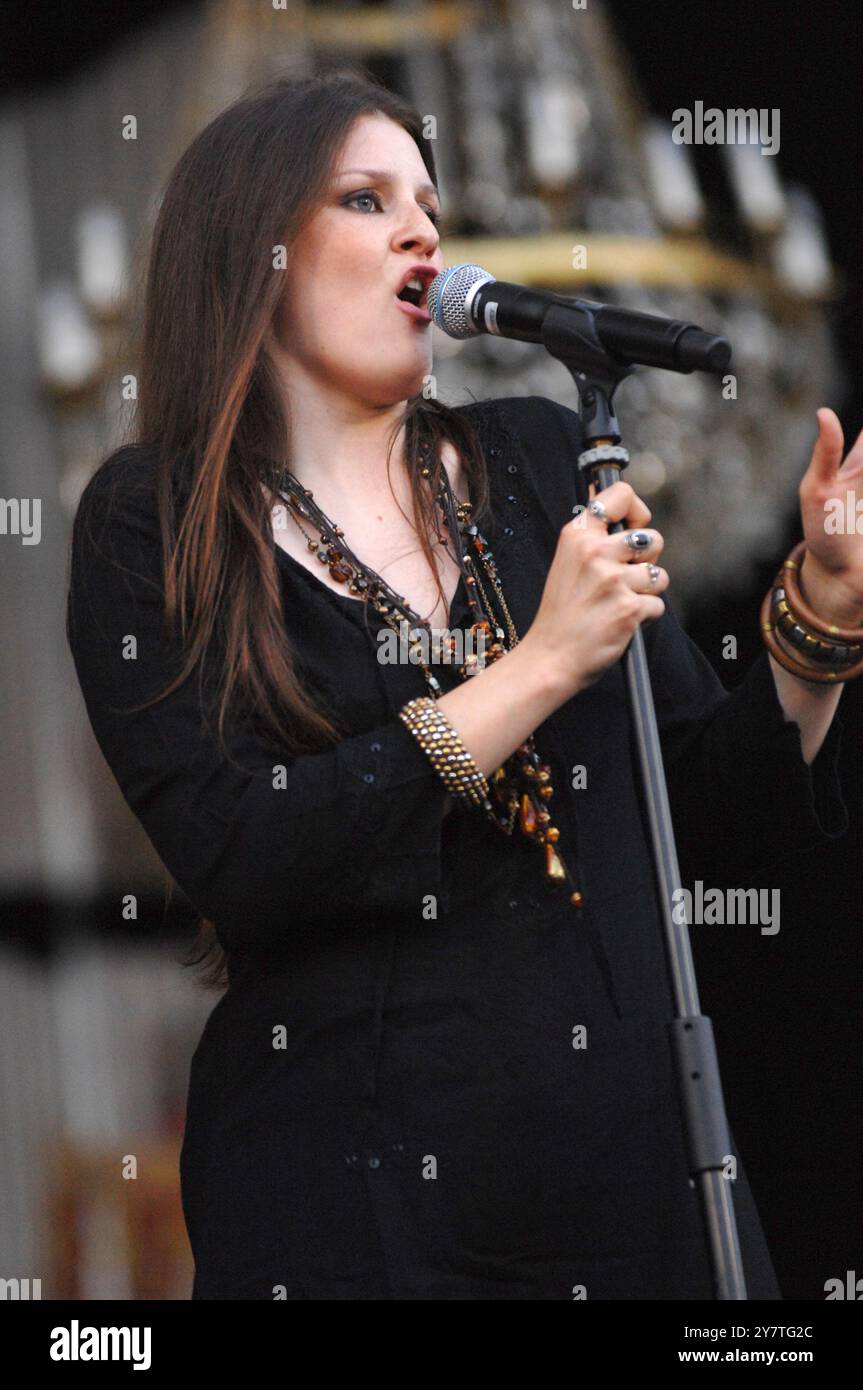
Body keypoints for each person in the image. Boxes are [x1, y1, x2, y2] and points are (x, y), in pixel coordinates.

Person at [66, 68, 862, 1300]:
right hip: (350, 1204)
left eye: (429, 203)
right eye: (364, 197)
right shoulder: (152, 522)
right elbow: (243, 846)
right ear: (253, 251)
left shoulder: (543, 457)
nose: (421, 230)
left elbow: (694, 808)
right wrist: (536, 667)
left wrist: (819, 608)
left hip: (629, 1186)